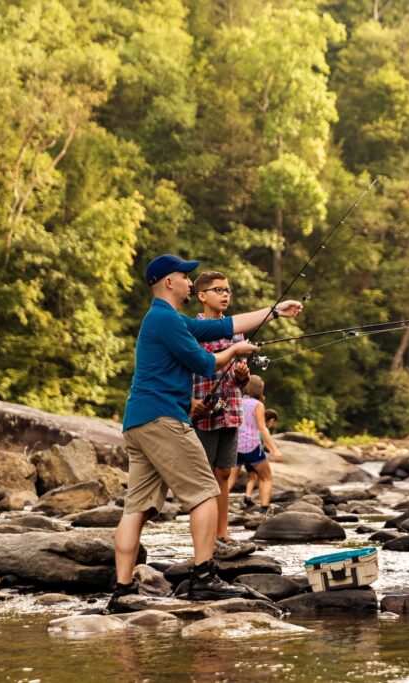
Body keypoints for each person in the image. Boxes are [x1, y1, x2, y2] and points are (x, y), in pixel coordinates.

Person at [107, 254, 302, 611]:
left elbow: (226, 325)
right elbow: (204, 362)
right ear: (169, 282)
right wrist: (236, 350)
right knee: (205, 493)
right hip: (163, 420)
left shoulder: (167, 318)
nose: (188, 282)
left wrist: (274, 312)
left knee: (137, 508)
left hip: (139, 422)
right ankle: (204, 577)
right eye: (184, 276)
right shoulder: (165, 319)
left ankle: (122, 591)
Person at [188, 270, 253, 560]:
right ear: (202, 295)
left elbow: (243, 383)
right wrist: (190, 401)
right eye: (218, 290)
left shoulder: (237, 332)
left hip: (231, 410)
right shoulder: (191, 330)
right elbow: (181, 369)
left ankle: (221, 533)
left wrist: (242, 375)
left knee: (224, 473)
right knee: (205, 476)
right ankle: (205, 537)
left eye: (227, 290)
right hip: (202, 412)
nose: (225, 295)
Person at [237, 376, 282, 517]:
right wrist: (275, 449)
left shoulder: (237, 400)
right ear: (258, 388)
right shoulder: (258, 404)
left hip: (235, 446)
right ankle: (263, 510)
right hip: (251, 446)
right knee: (266, 477)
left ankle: (218, 509)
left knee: (227, 481)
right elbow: (262, 428)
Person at [243, 408, 278, 508]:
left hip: (246, 456)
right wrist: (273, 450)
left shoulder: (255, 426)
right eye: (274, 422)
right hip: (256, 456)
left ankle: (247, 497)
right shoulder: (264, 429)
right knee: (264, 478)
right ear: (271, 420)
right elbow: (265, 442)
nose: (273, 425)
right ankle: (263, 503)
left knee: (253, 477)